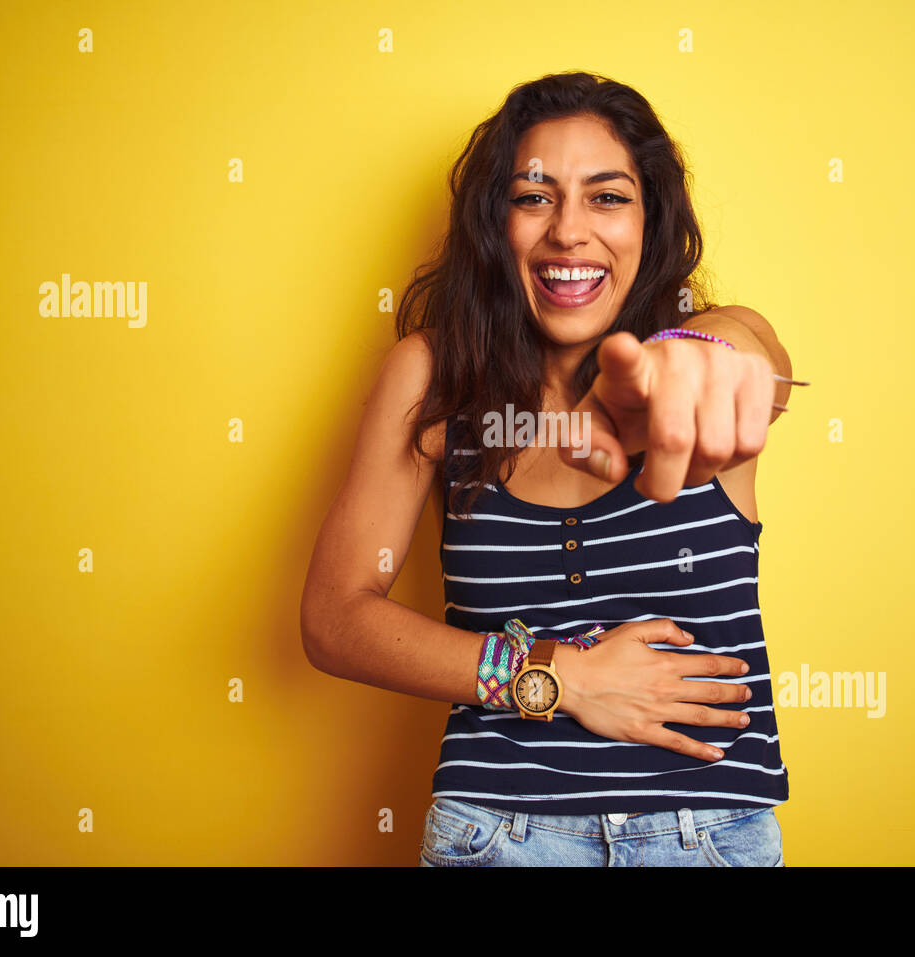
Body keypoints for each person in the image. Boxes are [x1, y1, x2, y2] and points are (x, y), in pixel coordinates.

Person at [301, 71, 802, 866]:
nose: (570, 231)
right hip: (500, 834)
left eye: (607, 197)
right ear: (495, 222)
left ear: (651, 219)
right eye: (534, 197)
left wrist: (693, 358)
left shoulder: (702, 356)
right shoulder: (434, 378)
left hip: (708, 838)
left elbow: (746, 351)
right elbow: (334, 619)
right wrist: (559, 677)